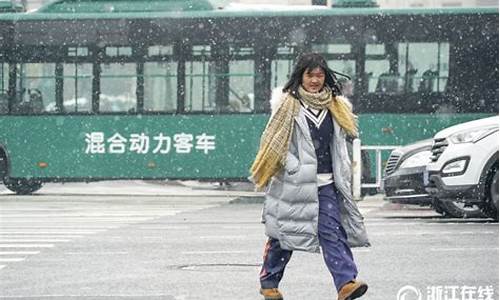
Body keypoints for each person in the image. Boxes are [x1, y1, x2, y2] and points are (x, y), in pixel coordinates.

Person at [250, 53, 370, 300]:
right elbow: (273, 143)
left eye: (319, 75)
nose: (315, 80)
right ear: (300, 77)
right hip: (293, 183)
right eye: (310, 75)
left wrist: (344, 169)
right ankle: (269, 283)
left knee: (332, 232)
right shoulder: (286, 106)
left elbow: (341, 145)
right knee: (284, 237)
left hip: (327, 183)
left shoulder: (336, 106)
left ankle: (346, 283)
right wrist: (295, 167)